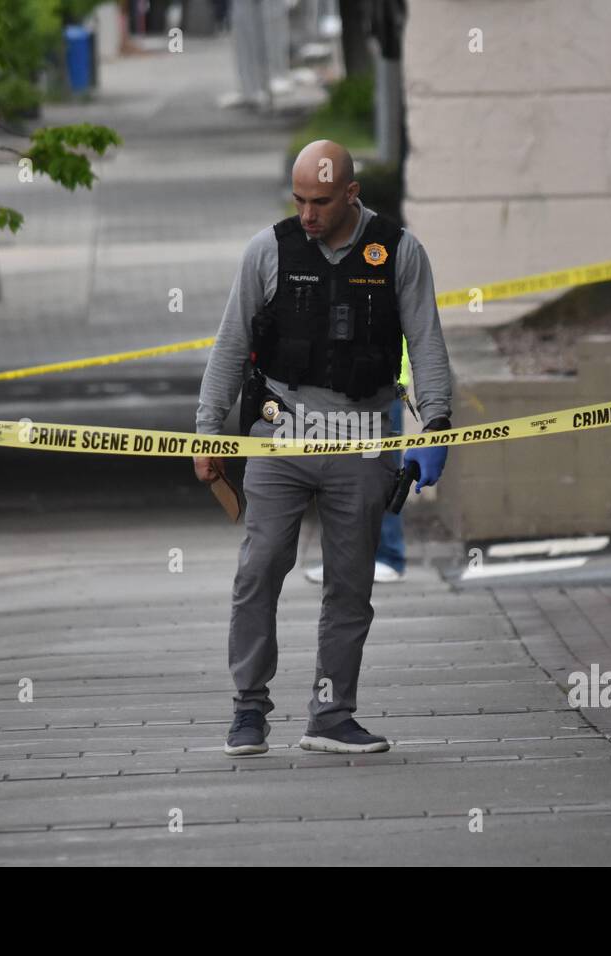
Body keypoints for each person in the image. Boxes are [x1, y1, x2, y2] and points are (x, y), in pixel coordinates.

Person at [193, 139, 453, 756]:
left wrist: (436, 429)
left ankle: (331, 715)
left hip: (362, 439)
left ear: (351, 194)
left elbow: (427, 344)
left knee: (349, 583)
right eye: (300, 199)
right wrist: (206, 431)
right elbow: (229, 348)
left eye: (321, 201)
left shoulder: (397, 252)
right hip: (279, 435)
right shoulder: (269, 250)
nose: (308, 213)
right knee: (260, 568)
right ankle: (249, 708)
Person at [304, 340, 412, 584]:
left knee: (383, 473)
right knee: (334, 476)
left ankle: (389, 556)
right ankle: (338, 560)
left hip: (383, 382)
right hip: (338, 386)